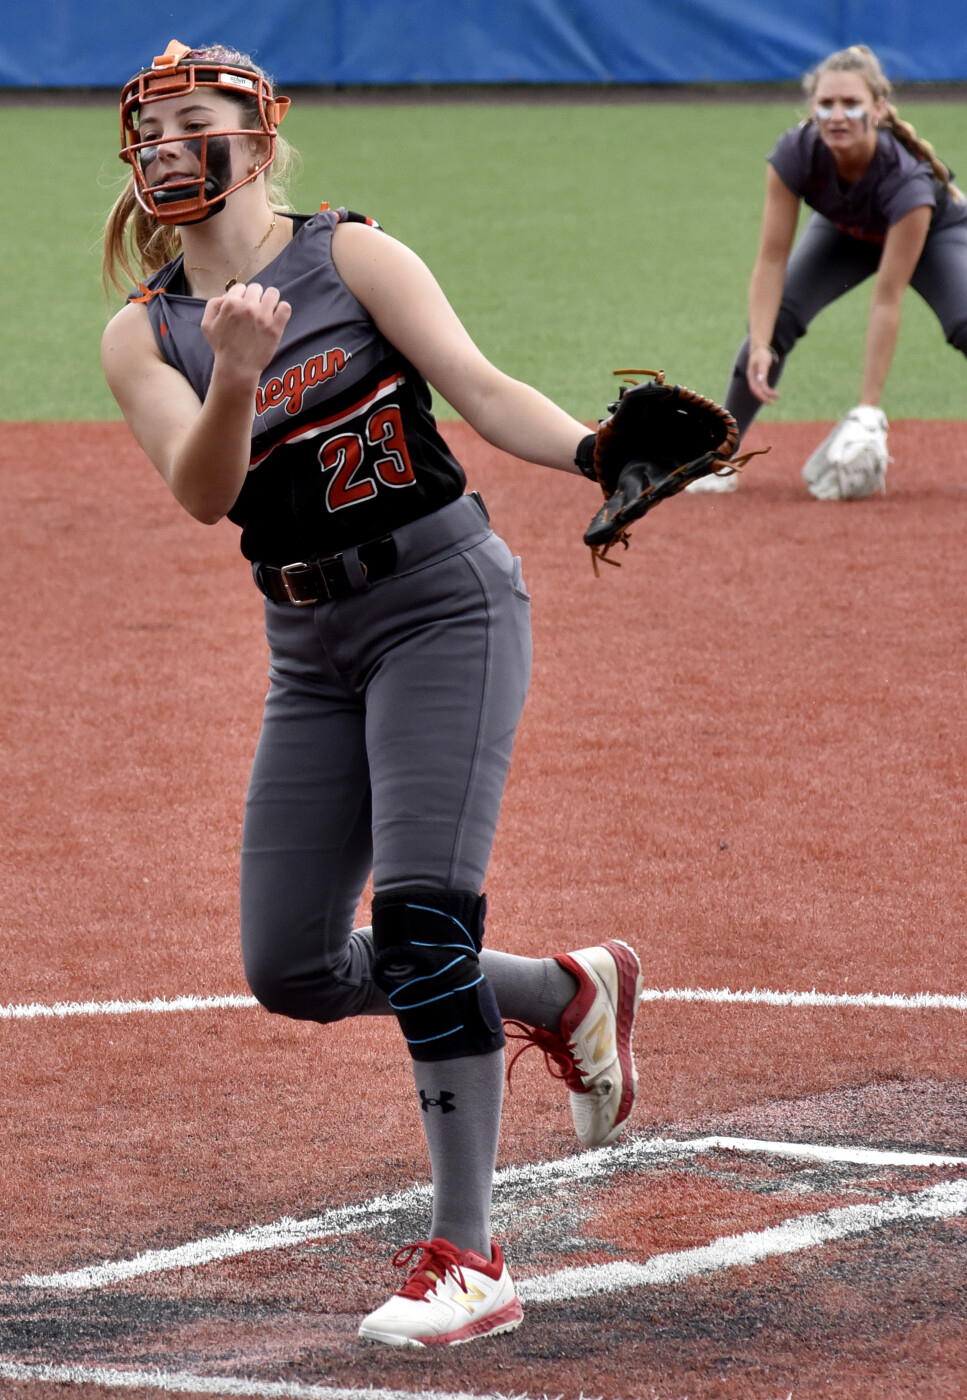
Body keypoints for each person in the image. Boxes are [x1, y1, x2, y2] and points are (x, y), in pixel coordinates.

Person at [100, 41, 643, 1349]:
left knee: (415, 922)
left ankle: (472, 1257)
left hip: (444, 605)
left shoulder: (348, 256)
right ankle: (560, 993)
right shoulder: (145, 333)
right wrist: (234, 365)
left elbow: (484, 389)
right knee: (289, 963)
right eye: (149, 125)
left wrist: (595, 453)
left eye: (197, 118)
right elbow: (207, 489)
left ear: (265, 134)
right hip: (309, 648)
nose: (170, 142)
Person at [688, 44, 967, 497]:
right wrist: (760, 342)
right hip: (846, 230)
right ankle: (720, 455)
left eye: (851, 104)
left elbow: (887, 298)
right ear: (812, 108)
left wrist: (868, 409)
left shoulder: (907, 180)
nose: (837, 115)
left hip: (935, 233)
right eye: (826, 103)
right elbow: (771, 259)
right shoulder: (795, 154)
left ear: (878, 109)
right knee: (774, 322)